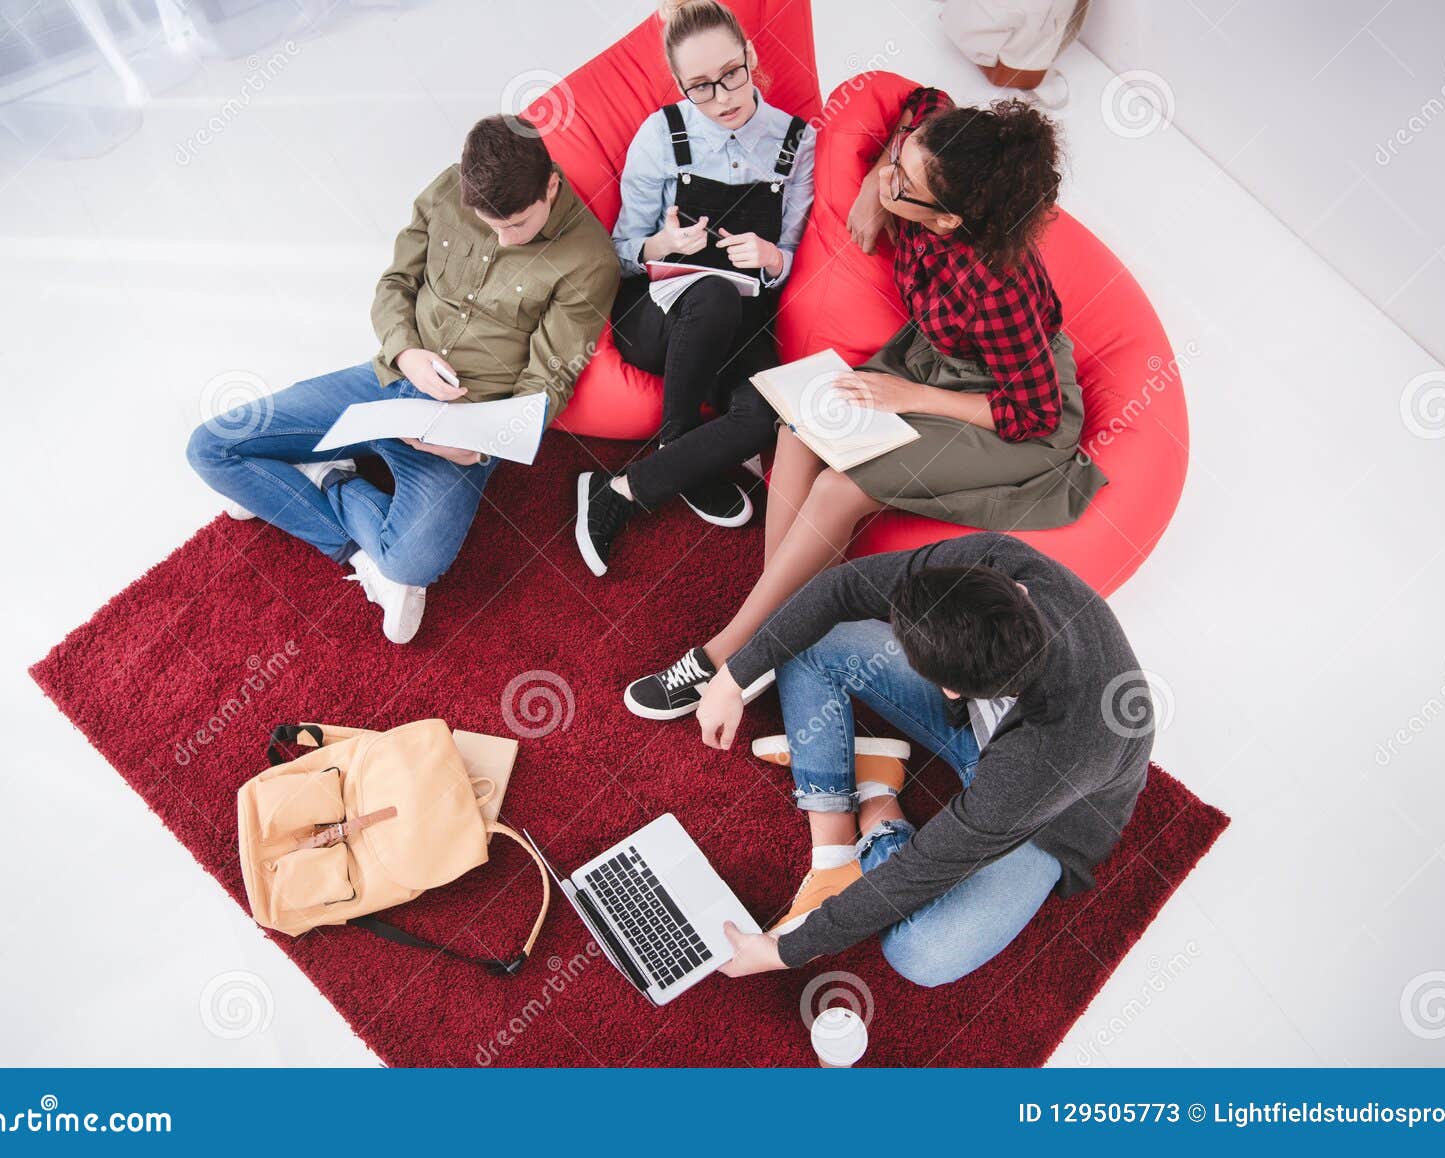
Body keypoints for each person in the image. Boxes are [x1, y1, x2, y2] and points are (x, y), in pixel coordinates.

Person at [621, 82, 1105, 718]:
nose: (890, 175)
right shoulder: (928, 159)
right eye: (900, 156)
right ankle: (784, 628)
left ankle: (730, 657)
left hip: (999, 405)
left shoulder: (998, 283)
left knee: (838, 490)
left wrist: (911, 396)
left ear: (947, 218)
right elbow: (924, 99)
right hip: (932, 357)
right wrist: (885, 175)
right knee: (796, 426)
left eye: (904, 181)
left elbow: (1035, 413)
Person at [187, 116, 618, 643]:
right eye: (490, 224)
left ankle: (331, 477)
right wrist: (407, 352)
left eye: (518, 226)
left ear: (551, 185)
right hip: (388, 378)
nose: (504, 239)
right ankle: (361, 550)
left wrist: (480, 449)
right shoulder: (446, 188)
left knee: (414, 562)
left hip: (461, 421)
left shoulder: (590, 260)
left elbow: (547, 381)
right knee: (211, 448)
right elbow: (395, 283)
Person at [695, 532, 1152, 987]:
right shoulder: (1000, 563)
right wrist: (732, 677)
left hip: (1049, 819)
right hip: (989, 731)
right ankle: (834, 852)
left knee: (922, 954)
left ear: (951, 689)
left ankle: (877, 804)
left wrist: (784, 952)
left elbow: (922, 870)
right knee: (810, 637)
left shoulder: (1043, 761)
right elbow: (843, 587)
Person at [574, 0, 815, 576]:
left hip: (743, 319)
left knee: (765, 415)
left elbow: (797, 255)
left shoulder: (795, 143)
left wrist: (771, 257)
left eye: (732, 74)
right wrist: (664, 245)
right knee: (710, 292)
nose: (723, 97)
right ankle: (680, 445)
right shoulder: (661, 134)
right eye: (701, 87)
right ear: (681, 86)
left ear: (751, 57)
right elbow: (620, 254)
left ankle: (624, 487)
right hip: (657, 316)